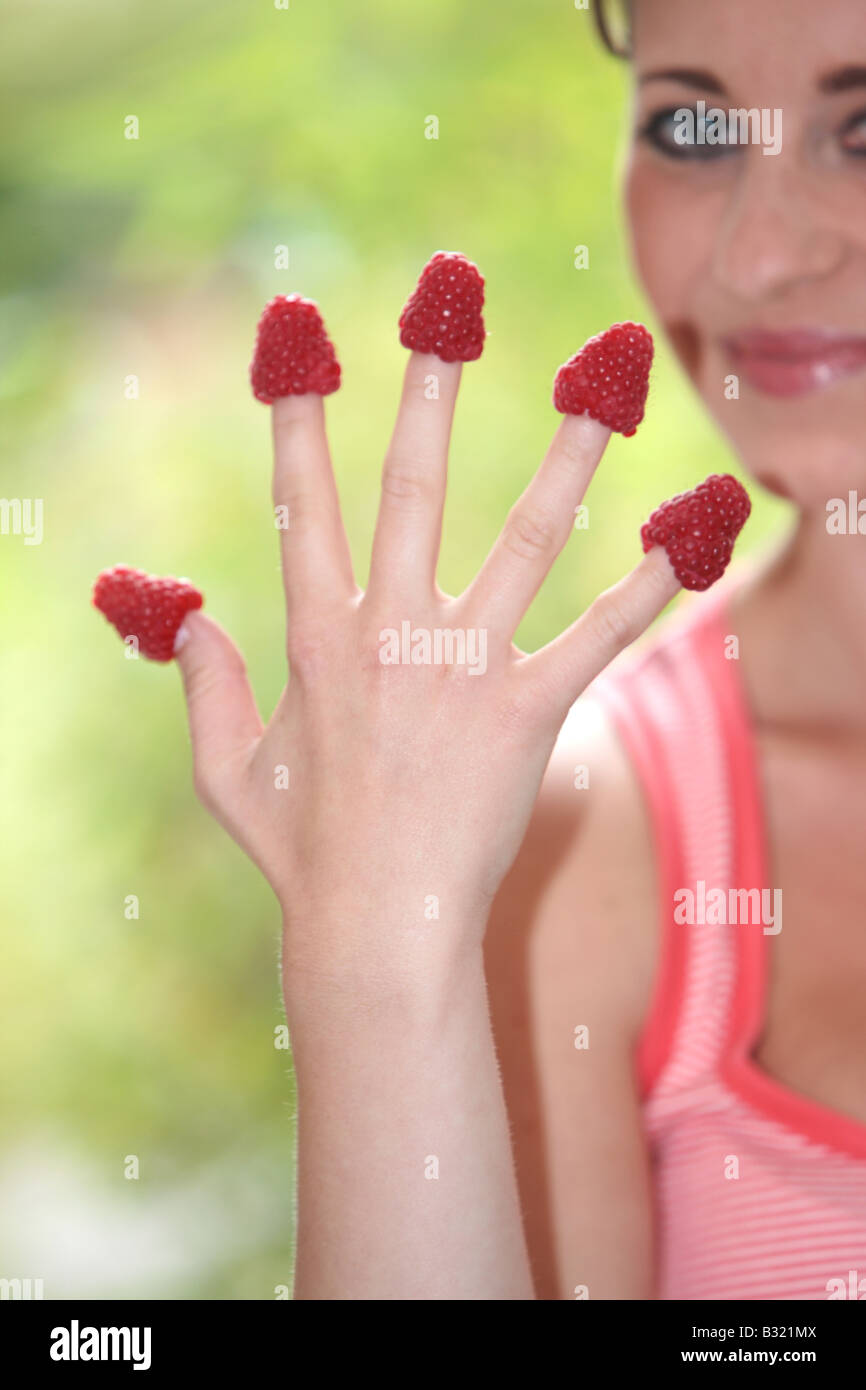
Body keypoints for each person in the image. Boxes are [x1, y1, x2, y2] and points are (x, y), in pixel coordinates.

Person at [172, 0, 866, 1298]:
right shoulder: (571, 838)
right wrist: (377, 952)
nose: (756, 251)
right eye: (691, 126)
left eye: (865, 127)